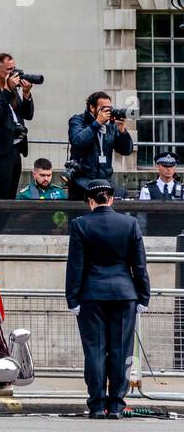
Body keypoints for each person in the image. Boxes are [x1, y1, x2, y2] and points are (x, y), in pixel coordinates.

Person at [65, 179, 150, 419]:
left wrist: (72, 299)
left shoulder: (80, 225)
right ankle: (116, 404)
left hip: (91, 294)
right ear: (111, 199)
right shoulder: (130, 224)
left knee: (94, 350)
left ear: (90, 201)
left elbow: (75, 267)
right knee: (121, 350)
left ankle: (96, 403)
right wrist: (143, 296)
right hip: (124, 295)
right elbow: (139, 266)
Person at [0, 52, 36, 200]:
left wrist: (27, 94)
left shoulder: (12, 89)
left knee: (11, 195)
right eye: (10, 70)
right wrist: (7, 90)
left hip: (15, 148)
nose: (14, 73)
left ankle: (6, 223)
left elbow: (27, 115)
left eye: (14, 68)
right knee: (0, 195)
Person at [67, 92, 134, 201]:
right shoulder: (78, 120)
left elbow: (126, 150)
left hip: (105, 181)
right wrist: (97, 123)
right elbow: (77, 141)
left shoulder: (111, 125)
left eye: (110, 108)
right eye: (104, 108)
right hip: (82, 181)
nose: (108, 112)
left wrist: (122, 131)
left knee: (122, 195)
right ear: (92, 108)